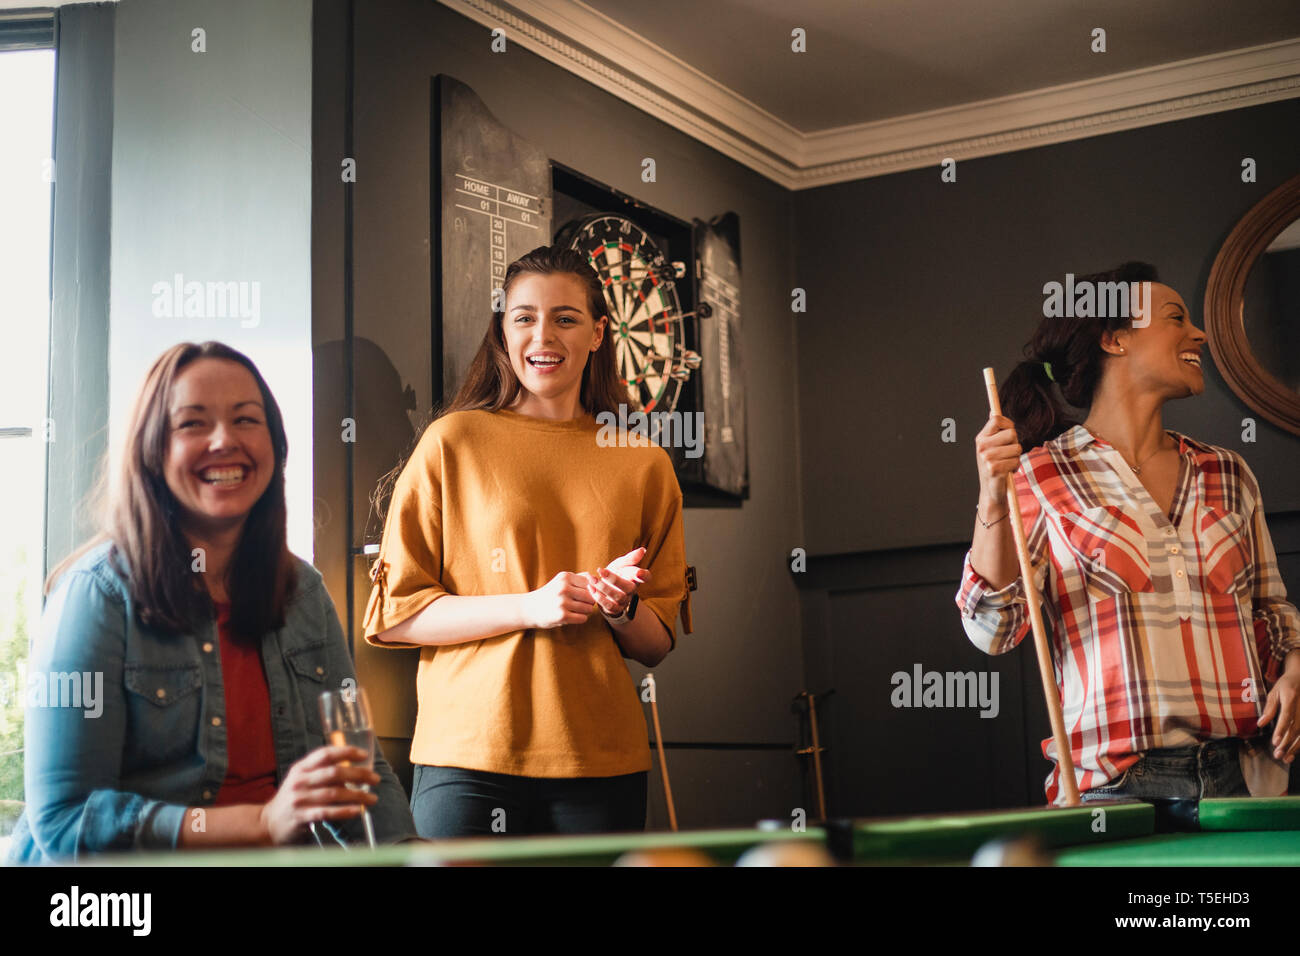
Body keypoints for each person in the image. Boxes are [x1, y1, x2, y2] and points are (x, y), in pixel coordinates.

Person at [8, 342, 416, 863]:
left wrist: (409, 854)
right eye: (192, 424)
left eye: (247, 420)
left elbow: (360, 769)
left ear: (275, 445)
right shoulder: (94, 597)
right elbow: (64, 822)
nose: (225, 440)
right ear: (152, 451)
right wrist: (262, 823)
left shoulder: (304, 591)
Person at [364, 245, 691, 837]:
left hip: (601, 761)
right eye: (524, 317)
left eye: (565, 317)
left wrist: (621, 607)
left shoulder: (643, 460)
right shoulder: (452, 441)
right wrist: (530, 606)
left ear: (598, 333)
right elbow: (395, 618)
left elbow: (656, 644)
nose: (544, 334)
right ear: (503, 331)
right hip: (467, 758)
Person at [957, 262, 1300, 805]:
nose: (1200, 334)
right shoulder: (1040, 476)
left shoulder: (1227, 473)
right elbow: (992, 629)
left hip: (1245, 779)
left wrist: (1296, 670)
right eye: (1175, 318)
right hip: (1115, 788)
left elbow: (1273, 610)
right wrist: (993, 495)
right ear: (1113, 339)